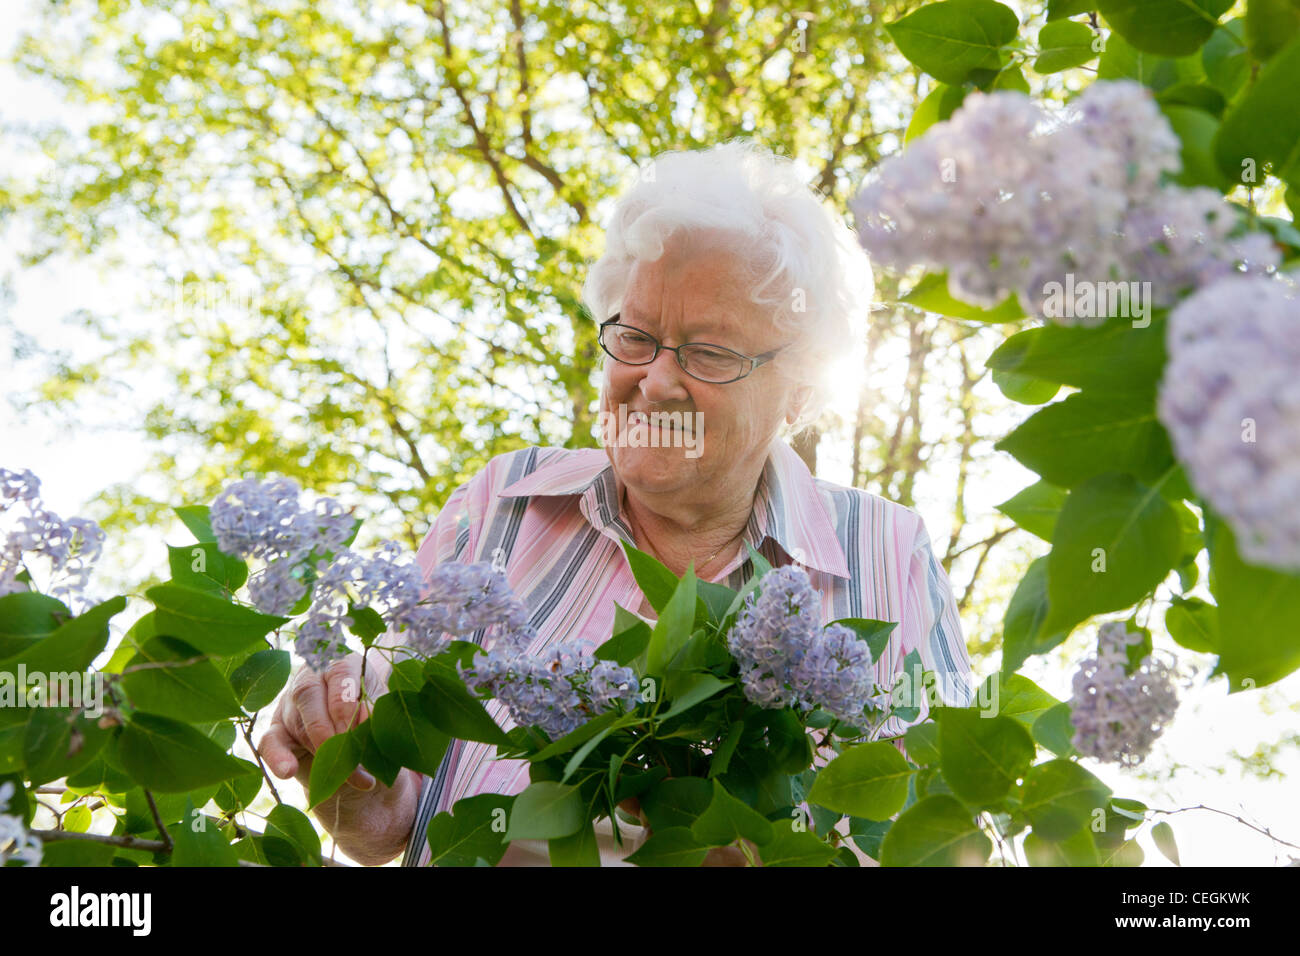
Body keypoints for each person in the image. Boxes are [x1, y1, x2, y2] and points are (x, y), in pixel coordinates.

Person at [258, 141, 975, 867]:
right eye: (636, 337)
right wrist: (353, 774)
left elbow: (948, 833)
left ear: (797, 392)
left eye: (710, 352)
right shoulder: (504, 504)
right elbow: (392, 828)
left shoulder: (889, 552)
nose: (656, 382)